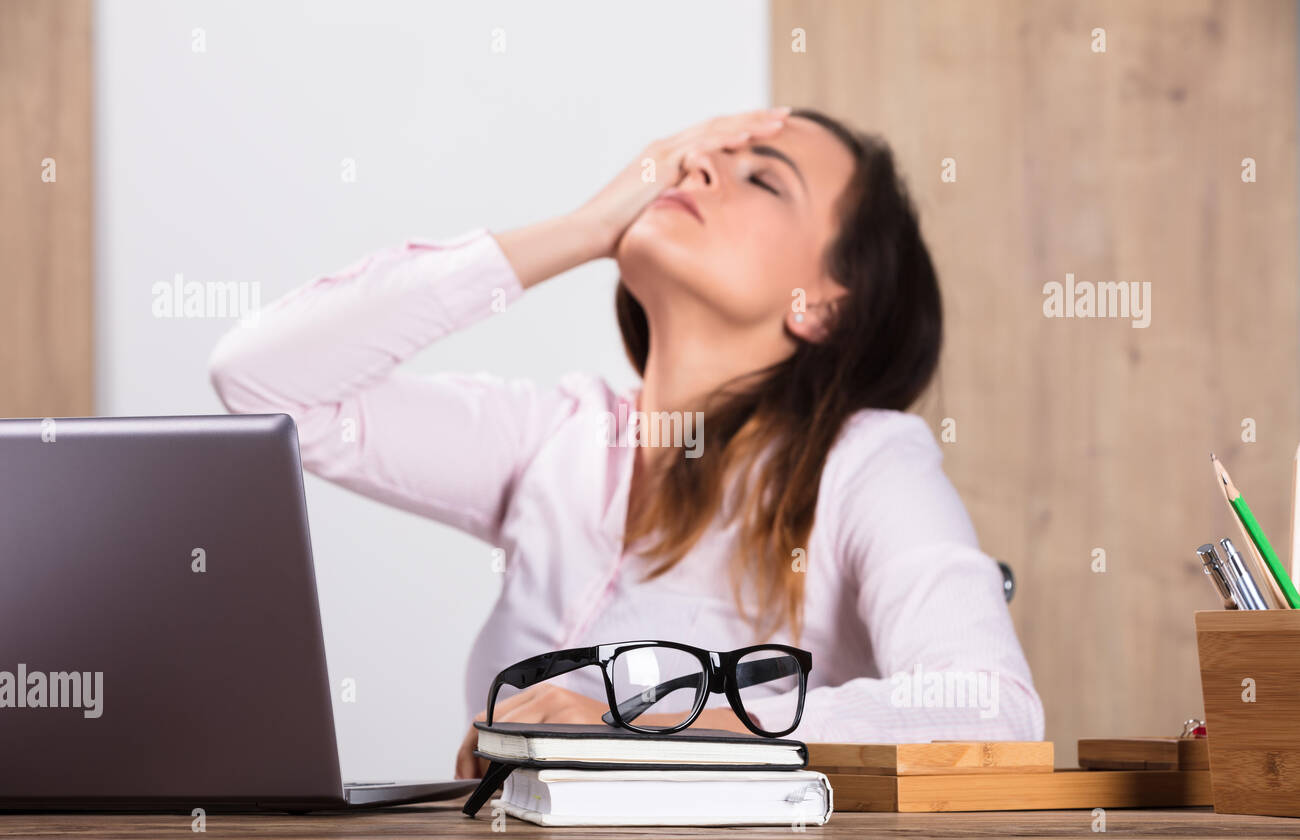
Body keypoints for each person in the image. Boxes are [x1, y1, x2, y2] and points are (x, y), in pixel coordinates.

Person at [207, 107, 1045, 781]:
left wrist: (632, 730)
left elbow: (988, 710)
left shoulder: (865, 464)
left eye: (763, 179)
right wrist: (581, 227)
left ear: (823, 304)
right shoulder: (555, 442)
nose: (696, 167)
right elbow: (263, 380)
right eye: (696, 157)